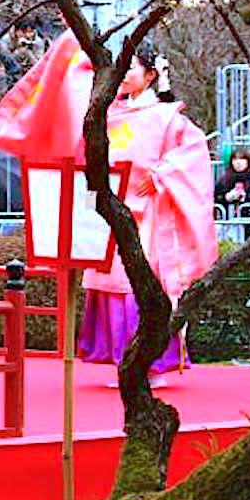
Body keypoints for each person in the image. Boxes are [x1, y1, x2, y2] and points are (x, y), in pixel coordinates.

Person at [77, 50, 216, 386]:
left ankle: (151, 362)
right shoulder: (106, 113)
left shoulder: (168, 118)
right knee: (110, 281)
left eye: (131, 69)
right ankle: (121, 360)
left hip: (149, 212)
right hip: (112, 209)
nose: (123, 74)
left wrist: (160, 175)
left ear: (151, 75)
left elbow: (193, 155)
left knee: (139, 282)